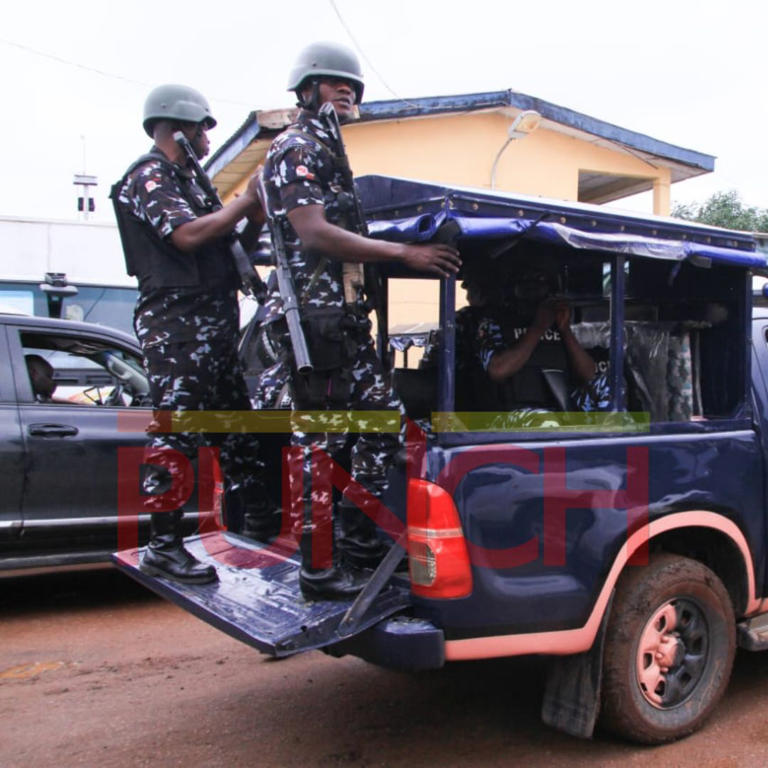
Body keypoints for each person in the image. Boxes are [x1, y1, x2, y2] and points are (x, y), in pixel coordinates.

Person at [261, 42, 461, 600]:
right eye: (332, 83)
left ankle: (356, 546)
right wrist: (404, 256)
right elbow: (314, 232)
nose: (346, 91)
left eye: (352, 85)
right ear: (306, 91)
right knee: (321, 446)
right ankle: (320, 569)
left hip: (342, 322)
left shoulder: (328, 149)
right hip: (313, 324)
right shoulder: (297, 147)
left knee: (379, 425)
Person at [112, 84, 276, 585]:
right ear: (178, 126)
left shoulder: (188, 179)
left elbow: (223, 247)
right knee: (176, 436)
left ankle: (257, 529)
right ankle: (163, 546)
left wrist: (253, 214)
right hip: (178, 328)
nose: (209, 137)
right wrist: (244, 199)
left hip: (215, 329)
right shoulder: (149, 176)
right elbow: (185, 236)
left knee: (242, 434)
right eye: (204, 127)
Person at [475, 265, 596, 411]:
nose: (533, 288)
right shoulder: (493, 322)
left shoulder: (560, 323)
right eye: (525, 283)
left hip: (562, 407)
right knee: (545, 420)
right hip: (513, 413)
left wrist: (565, 330)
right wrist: (538, 328)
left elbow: (590, 375)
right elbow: (498, 370)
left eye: (540, 282)